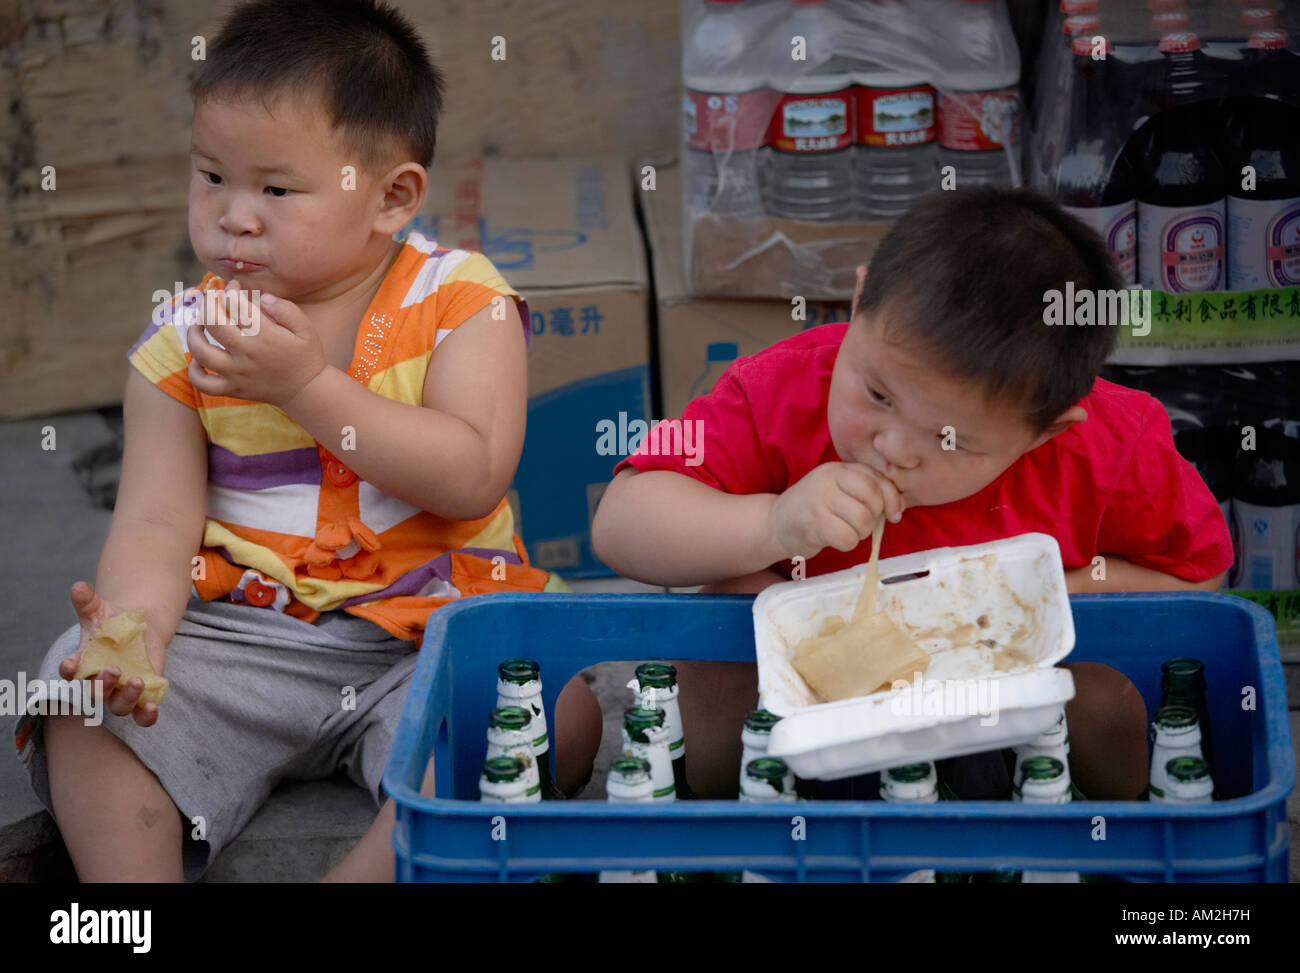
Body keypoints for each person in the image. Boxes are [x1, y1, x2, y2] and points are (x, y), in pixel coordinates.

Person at [13, 0, 600, 883]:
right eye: (212, 177)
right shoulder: (183, 338)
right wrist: (130, 637)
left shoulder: (458, 299)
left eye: (276, 190)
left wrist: (305, 387)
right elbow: (153, 525)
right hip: (247, 640)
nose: (234, 217)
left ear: (392, 197)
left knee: (554, 706)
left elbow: (473, 473)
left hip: (428, 633)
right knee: (75, 691)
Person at [589, 188, 1232, 801]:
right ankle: (728, 821)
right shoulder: (779, 390)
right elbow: (621, 523)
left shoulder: (1114, 447)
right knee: (729, 606)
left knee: (1107, 667)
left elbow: (1201, 576)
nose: (895, 447)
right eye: (877, 395)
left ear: (1045, 432)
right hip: (801, 717)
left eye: (952, 441)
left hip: (1022, 727)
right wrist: (773, 525)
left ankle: (1114, 828)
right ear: (860, 300)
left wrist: (1050, 598)